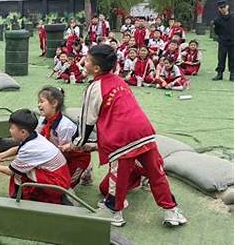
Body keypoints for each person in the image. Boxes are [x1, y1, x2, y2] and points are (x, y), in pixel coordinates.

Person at [72, 45, 187, 227]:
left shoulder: (94, 87)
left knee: (117, 178)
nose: (83, 62)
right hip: (144, 133)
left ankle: (114, 213)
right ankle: (171, 211)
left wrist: (77, 143)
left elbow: (87, 121)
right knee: (157, 174)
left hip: (121, 140)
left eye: (86, 60)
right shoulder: (119, 80)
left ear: (96, 68)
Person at [0, 109, 70, 204]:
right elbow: (18, 148)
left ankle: (25, 198)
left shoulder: (28, 149)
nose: (9, 130)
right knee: (21, 169)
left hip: (57, 182)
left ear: (23, 132)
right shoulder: (35, 136)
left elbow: (10, 171)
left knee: (19, 173)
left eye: (12, 128)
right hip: (60, 174)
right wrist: (1, 155)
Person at [36, 87, 93, 188]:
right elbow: (37, 137)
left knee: (63, 187)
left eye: (41, 101)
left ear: (54, 103)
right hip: (58, 151)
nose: (38, 105)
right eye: (38, 102)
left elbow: (65, 152)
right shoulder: (43, 119)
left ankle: (86, 168)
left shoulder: (64, 126)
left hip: (76, 157)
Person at [212, 0, 234, 81]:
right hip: (223, 42)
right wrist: (221, 37)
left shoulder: (233, 17)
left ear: (227, 7)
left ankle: (232, 74)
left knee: (232, 58)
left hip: (233, 41)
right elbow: (216, 31)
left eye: (224, 7)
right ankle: (219, 74)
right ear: (219, 9)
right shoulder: (217, 20)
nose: (223, 9)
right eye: (221, 7)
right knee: (221, 58)